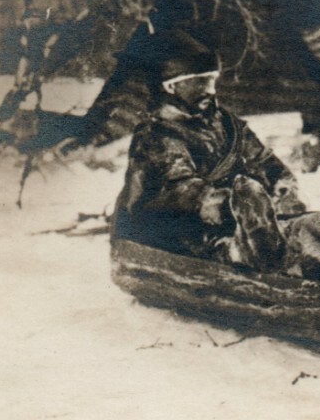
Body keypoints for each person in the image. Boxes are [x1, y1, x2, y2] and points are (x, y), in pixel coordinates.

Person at [115, 33, 306, 270]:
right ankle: (239, 254)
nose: (211, 90)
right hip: (169, 229)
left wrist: (282, 184)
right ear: (172, 85)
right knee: (216, 245)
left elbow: (262, 159)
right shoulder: (157, 134)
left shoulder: (227, 123)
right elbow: (180, 187)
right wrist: (230, 204)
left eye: (212, 81)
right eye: (199, 82)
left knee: (300, 233)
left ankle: (278, 250)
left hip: (236, 219)